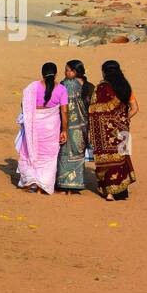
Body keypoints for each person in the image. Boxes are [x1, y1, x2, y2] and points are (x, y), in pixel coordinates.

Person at [15, 62, 68, 195]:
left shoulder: (33, 87)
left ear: (42, 73)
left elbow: (24, 105)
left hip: (34, 125)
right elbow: (64, 112)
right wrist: (65, 130)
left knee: (31, 151)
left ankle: (31, 181)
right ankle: (42, 186)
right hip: (51, 126)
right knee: (48, 156)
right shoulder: (62, 89)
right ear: (56, 74)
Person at [88, 60, 137, 200]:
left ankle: (108, 192)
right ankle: (120, 192)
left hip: (103, 132)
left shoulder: (101, 88)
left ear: (104, 72)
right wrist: (123, 120)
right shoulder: (126, 87)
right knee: (121, 158)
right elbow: (135, 109)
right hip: (122, 131)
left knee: (106, 160)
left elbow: (92, 108)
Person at [56, 59, 92, 193]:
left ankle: (65, 183)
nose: (64, 72)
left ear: (74, 72)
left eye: (67, 69)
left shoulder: (65, 84)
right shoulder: (89, 86)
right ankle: (77, 183)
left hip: (68, 125)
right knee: (78, 154)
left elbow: (62, 108)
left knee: (66, 153)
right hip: (83, 125)